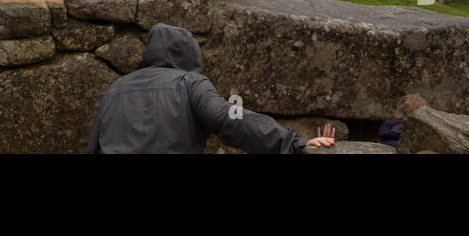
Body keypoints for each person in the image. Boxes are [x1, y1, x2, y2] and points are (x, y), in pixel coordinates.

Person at [87, 22, 337, 154]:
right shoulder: (188, 84)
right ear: (189, 54)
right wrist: (294, 144)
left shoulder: (115, 89)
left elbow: (96, 146)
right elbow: (231, 120)